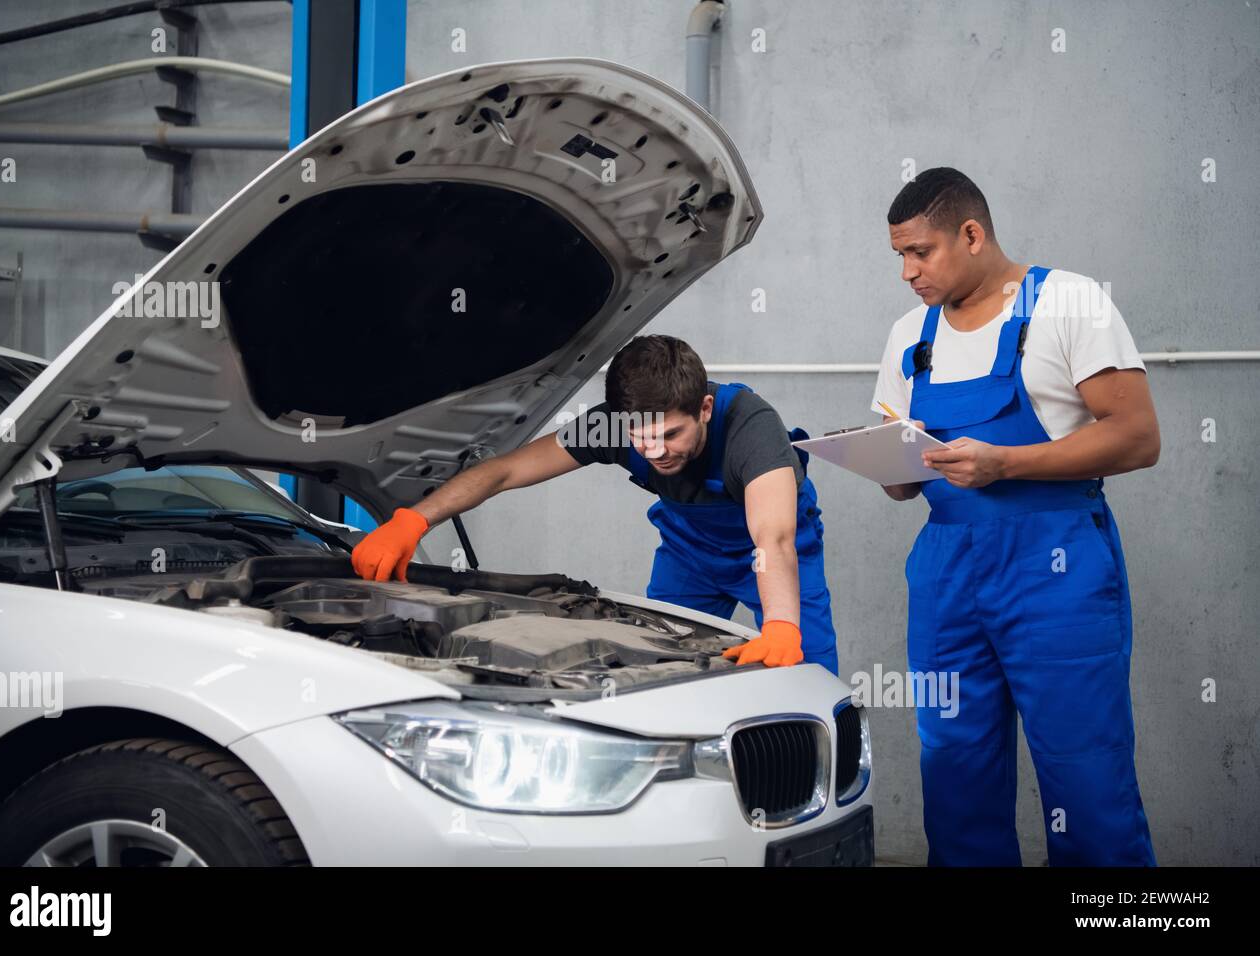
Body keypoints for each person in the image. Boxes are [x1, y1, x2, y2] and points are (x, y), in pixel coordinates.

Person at [873, 166, 1158, 865]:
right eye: (900, 257)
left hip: (1055, 564)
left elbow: (1137, 436)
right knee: (955, 773)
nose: (908, 272)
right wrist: (888, 467)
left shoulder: (1069, 303)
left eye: (921, 252)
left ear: (971, 234)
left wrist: (1007, 463)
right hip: (946, 571)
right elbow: (901, 481)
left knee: (1086, 775)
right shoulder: (911, 335)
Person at [352, 334, 838, 672]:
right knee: (663, 665)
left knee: (808, 671)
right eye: (639, 437)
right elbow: (504, 470)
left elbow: (771, 537)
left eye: (670, 434)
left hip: (774, 555)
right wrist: (414, 519)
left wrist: (778, 625)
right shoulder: (610, 424)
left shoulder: (751, 427)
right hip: (689, 556)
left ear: (704, 410)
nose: (654, 451)